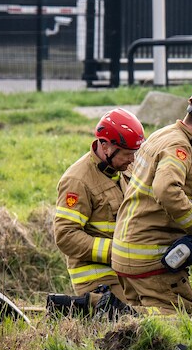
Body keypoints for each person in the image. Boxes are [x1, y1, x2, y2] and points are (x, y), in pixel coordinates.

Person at [112, 84, 192, 315]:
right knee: (181, 316)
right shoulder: (179, 147)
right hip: (149, 257)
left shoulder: (164, 134)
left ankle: (114, 317)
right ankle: (99, 309)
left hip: (126, 251)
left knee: (138, 319)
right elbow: (166, 190)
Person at [52, 108, 144, 305]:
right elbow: (65, 236)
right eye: (127, 154)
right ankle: (82, 307)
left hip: (126, 270)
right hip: (98, 277)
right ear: (105, 146)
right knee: (132, 316)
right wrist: (117, 251)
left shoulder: (122, 169)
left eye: (134, 153)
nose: (132, 160)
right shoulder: (77, 180)